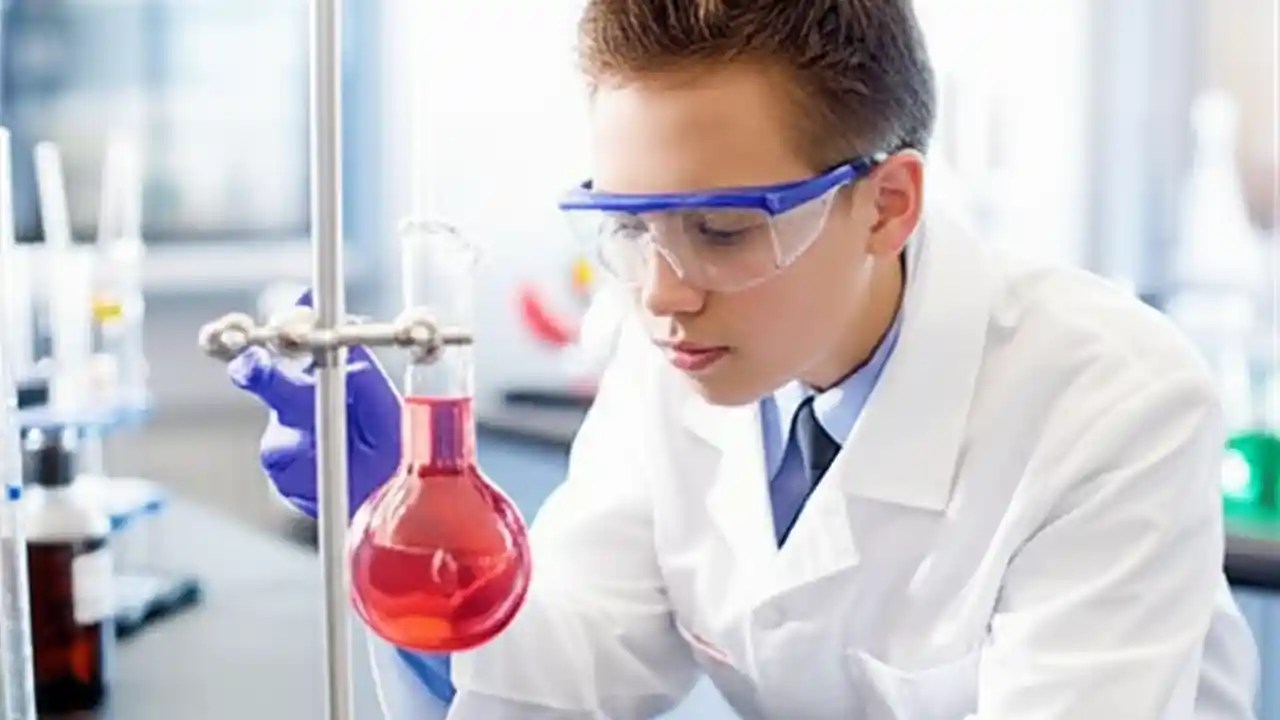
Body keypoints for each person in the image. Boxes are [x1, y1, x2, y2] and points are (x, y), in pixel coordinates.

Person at [229, 1, 1261, 717]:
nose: (660, 293)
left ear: (886, 205)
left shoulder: (1110, 405)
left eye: (722, 228)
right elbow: (563, 672)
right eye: (628, 225)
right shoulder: (677, 360)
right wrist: (425, 559)